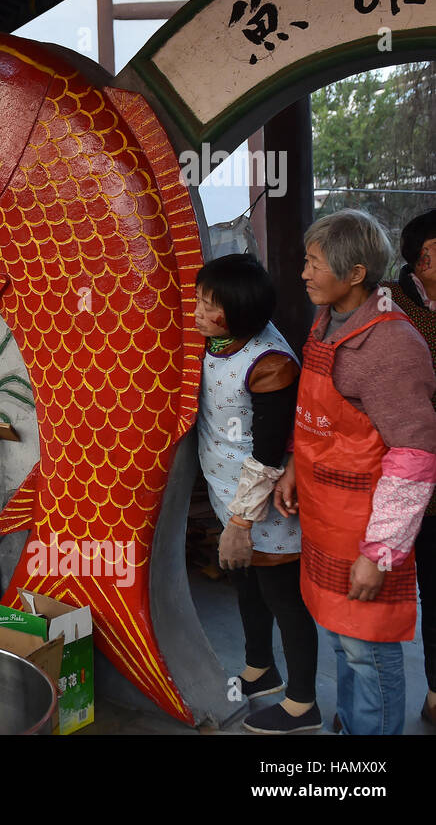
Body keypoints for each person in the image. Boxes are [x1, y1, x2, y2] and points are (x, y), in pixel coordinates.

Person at [274, 209, 436, 735]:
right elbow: (317, 417)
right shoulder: (330, 320)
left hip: (367, 529)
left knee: (369, 649)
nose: (303, 272)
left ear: (356, 273)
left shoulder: (393, 344)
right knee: (344, 639)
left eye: (314, 263)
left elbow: (414, 456)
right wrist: (296, 465)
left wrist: (381, 554)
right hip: (328, 520)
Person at [195, 253, 320, 733]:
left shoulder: (269, 362)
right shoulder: (217, 340)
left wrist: (243, 523)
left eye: (212, 305)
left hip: (263, 504)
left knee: (283, 597)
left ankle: (302, 702)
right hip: (227, 491)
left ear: (242, 314)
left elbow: (269, 456)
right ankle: (258, 668)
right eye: (201, 299)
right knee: (244, 581)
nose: (199, 311)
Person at [381, 209, 436, 726]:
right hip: (394, 476)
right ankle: (370, 705)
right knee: (384, 588)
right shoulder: (387, 305)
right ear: (427, 255)